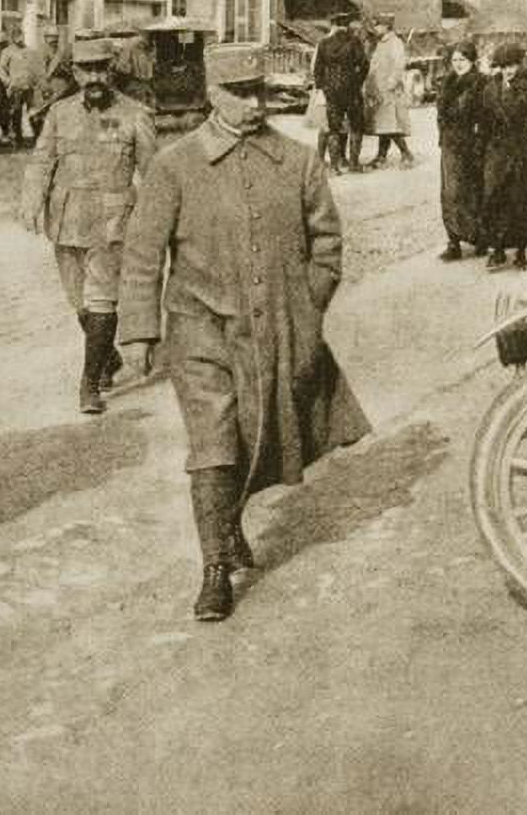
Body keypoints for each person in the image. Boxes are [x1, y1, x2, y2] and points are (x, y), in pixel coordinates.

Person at [117, 44, 371, 622]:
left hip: (277, 329)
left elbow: (327, 246)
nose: (253, 103)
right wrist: (137, 330)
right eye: (238, 93)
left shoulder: (299, 161)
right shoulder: (174, 166)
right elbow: (141, 254)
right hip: (198, 330)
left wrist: (307, 305)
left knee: (259, 432)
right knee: (213, 441)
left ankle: (229, 528)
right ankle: (214, 569)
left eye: (259, 91)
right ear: (212, 94)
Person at [19, 37, 157, 415]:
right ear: (75, 72)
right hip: (65, 221)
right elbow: (41, 160)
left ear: (111, 71)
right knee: (78, 302)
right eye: (86, 69)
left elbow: (154, 176)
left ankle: (89, 383)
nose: (94, 77)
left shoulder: (136, 115)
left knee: (101, 300)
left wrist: (155, 222)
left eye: (101, 69)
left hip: (112, 224)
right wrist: (31, 199)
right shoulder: (59, 113)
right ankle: (106, 357)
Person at [479, 42, 527, 271]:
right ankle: (498, 250)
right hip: (499, 150)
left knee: (523, 199)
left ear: (519, 64)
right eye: (503, 66)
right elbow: (485, 119)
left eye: (511, 65)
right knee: (495, 197)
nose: (508, 70)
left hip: (525, 149)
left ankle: (522, 250)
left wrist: (513, 88)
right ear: (497, 67)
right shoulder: (491, 87)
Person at [436, 40, 488, 261]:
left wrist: (479, 139)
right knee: (450, 194)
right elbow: (442, 114)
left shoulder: (481, 83)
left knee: (473, 192)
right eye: (455, 60)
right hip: (450, 145)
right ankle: (454, 242)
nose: (458, 64)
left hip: (472, 145)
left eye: (462, 60)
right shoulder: (448, 82)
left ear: (472, 60)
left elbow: (486, 116)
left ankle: (480, 238)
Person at [311, 11, 369, 174]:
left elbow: (317, 70)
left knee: (333, 128)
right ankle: (353, 164)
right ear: (348, 25)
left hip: (332, 92)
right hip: (351, 90)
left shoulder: (324, 43)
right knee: (356, 126)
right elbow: (364, 65)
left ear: (333, 24)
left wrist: (324, 87)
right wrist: (357, 82)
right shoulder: (354, 41)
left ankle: (334, 167)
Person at [363, 13, 415, 168]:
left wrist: (390, 84)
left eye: (378, 25)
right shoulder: (381, 43)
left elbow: (399, 65)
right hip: (379, 90)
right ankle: (381, 156)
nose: (376, 28)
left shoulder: (395, 43)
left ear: (386, 26)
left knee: (391, 125)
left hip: (389, 92)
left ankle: (406, 154)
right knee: (383, 125)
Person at [0, 29, 47, 149]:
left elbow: (38, 70)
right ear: (12, 38)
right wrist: (8, 81)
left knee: (35, 113)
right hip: (15, 88)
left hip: (30, 87)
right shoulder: (7, 52)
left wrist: (41, 84)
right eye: (15, 36)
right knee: (15, 114)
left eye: (20, 36)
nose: (19, 39)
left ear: (23, 36)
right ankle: (18, 140)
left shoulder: (31, 52)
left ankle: (37, 138)